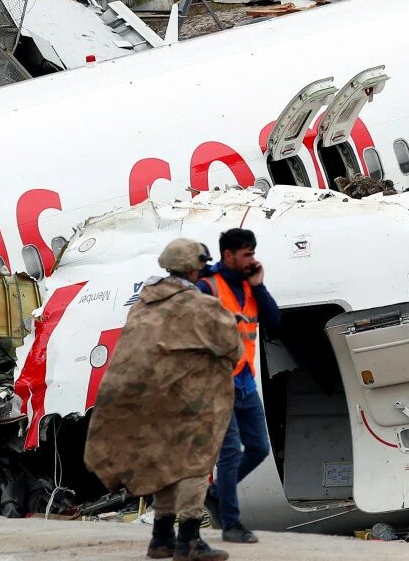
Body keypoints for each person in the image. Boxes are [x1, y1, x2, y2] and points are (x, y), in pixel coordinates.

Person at [84, 238, 238, 561]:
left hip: (148, 402)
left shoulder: (144, 304)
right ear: (195, 270)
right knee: (195, 463)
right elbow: (232, 347)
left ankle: (161, 538)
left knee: (164, 462)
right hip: (188, 400)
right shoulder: (200, 307)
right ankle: (190, 540)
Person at [197, 228, 282, 544]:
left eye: (253, 253)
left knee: (259, 447)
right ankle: (231, 524)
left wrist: (259, 286)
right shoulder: (206, 287)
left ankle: (216, 493)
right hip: (217, 384)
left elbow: (273, 321)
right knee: (231, 452)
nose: (252, 259)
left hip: (245, 381)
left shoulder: (249, 286)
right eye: (246, 254)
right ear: (228, 255)